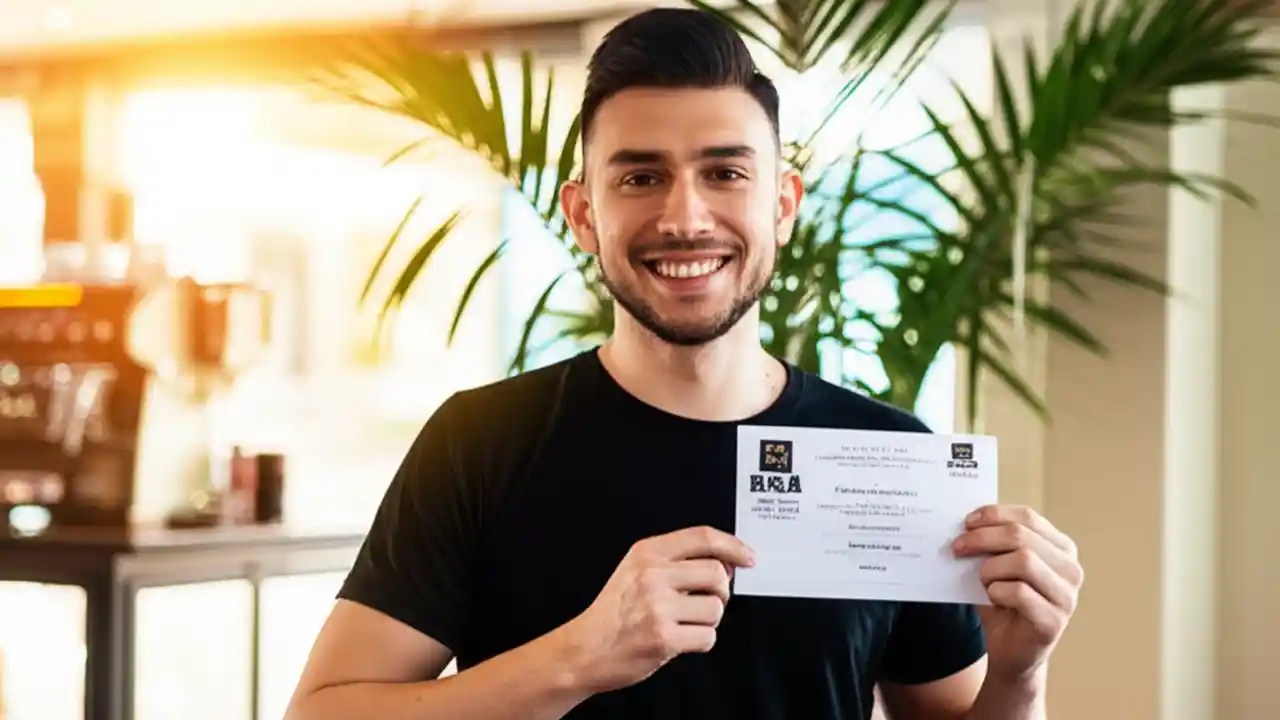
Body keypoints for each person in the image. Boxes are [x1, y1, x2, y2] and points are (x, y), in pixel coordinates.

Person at [284, 8, 1084, 720]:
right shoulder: (481, 439)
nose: (684, 216)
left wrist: (1019, 675)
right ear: (583, 215)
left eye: (725, 173)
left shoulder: (888, 455)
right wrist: (577, 658)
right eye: (641, 177)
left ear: (782, 204)